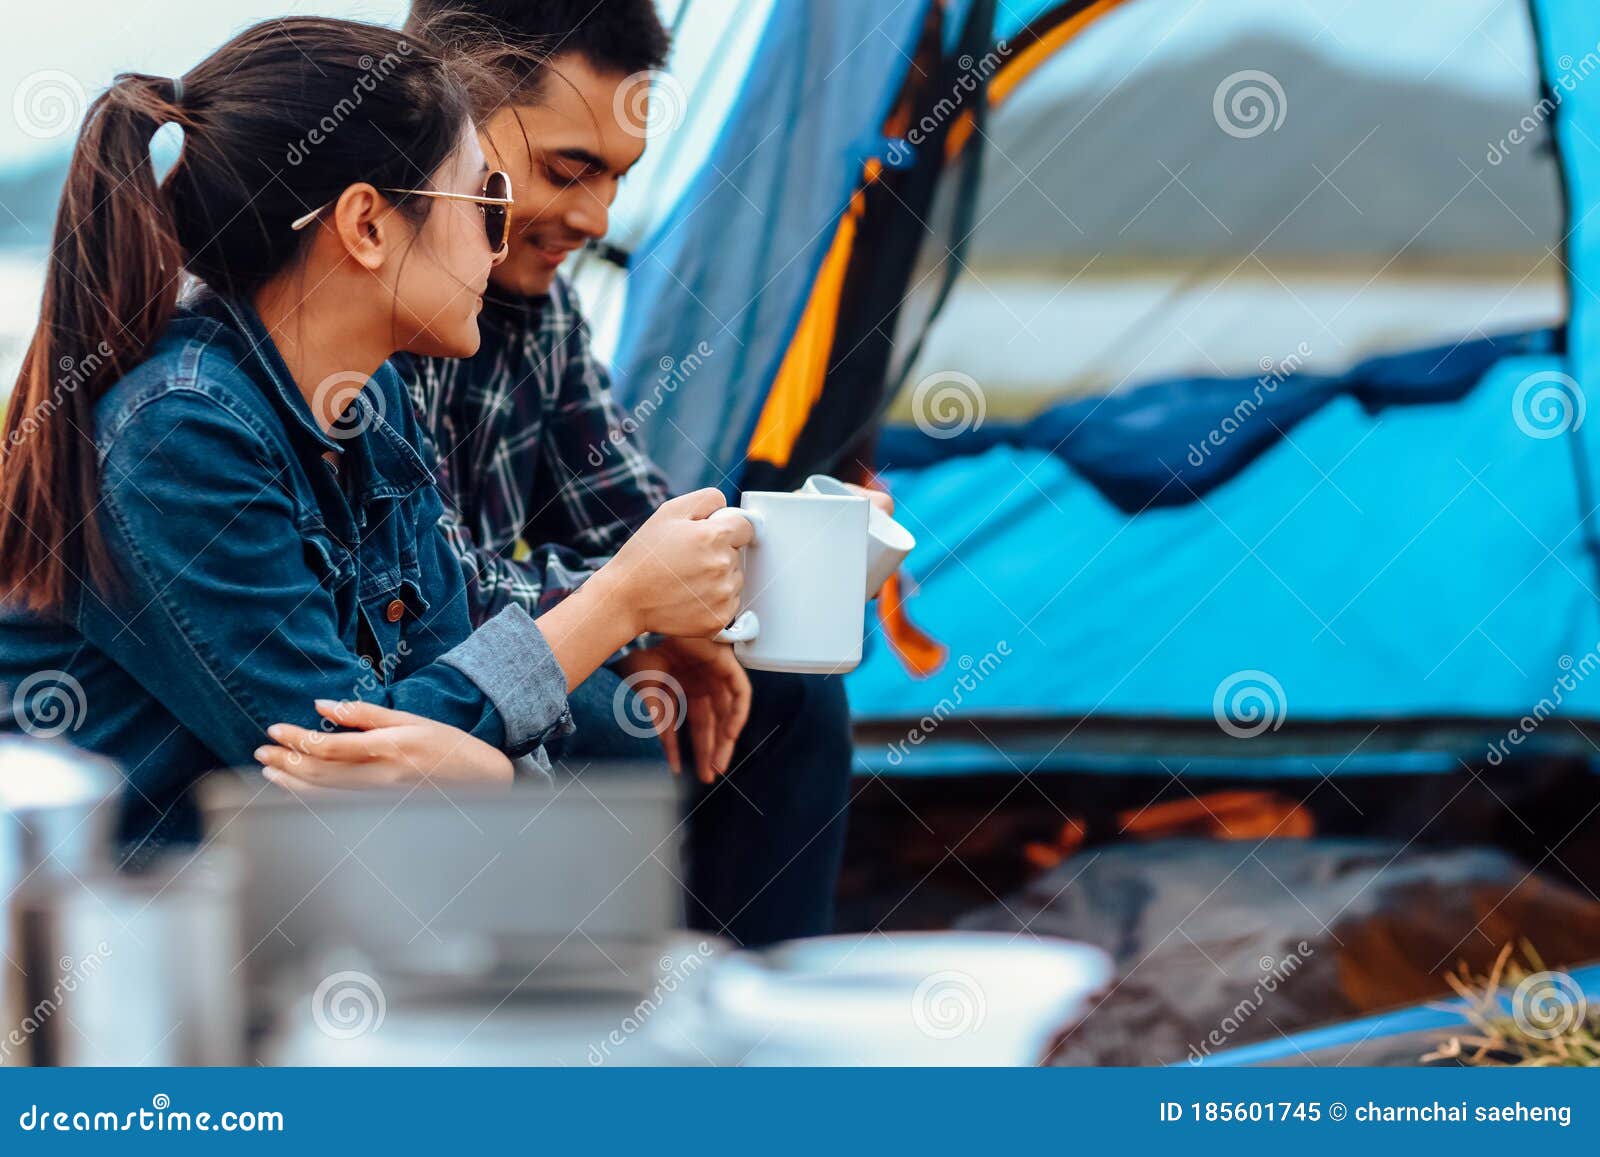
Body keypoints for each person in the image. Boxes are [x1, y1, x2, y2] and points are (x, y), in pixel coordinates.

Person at [0, 17, 751, 859]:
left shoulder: (370, 400)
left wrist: (488, 769)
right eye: (486, 205)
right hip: (137, 912)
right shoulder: (179, 430)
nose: (497, 243)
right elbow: (338, 759)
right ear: (366, 225)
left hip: (296, 889)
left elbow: (430, 692)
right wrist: (617, 603)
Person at [383, 0, 874, 946]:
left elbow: (631, 517)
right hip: (414, 694)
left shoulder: (539, 309)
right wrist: (627, 611)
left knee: (785, 694)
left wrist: (774, 560)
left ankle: (757, 1022)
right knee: (621, 727)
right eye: (569, 172)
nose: (596, 218)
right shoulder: (362, 318)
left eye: (618, 180)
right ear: (441, 122)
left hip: (514, 652)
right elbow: (428, 598)